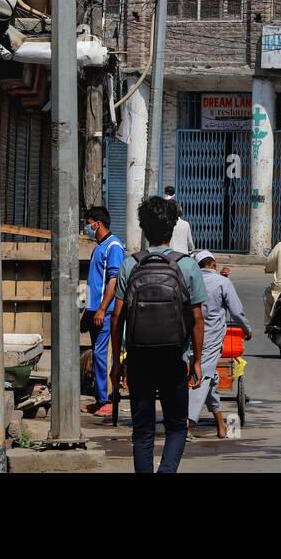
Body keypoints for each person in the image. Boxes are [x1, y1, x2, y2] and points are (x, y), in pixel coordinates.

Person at [110, 196, 206, 474]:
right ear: (173, 226)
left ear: (144, 228)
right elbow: (198, 320)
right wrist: (197, 361)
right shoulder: (187, 266)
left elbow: (117, 317)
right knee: (176, 425)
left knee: (142, 430)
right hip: (174, 357)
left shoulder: (131, 265)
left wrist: (117, 363)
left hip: (139, 358)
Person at [187, 251, 252, 440]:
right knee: (202, 378)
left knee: (211, 378)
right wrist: (247, 330)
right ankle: (187, 422)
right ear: (213, 264)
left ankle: (220, 423)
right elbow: (237, 312)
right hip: (210, 339)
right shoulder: (223, 283)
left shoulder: (192, 282)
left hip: (190, 336)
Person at [82, 206, 124, 418]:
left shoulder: (113, 246)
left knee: (101, 355)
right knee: (96, 354)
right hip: (93, 311)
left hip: (103, 312)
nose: (87, 227)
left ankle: (106, 400)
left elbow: (114, 281)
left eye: (88, 223)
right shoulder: (99, 247)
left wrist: (101, 309)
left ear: (97, 223)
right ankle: (100, 399)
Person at [162, 185, 195, 254]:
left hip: (168, 256)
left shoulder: (163, 223)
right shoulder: (186, 224)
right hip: (182, 256)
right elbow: (190, 245)